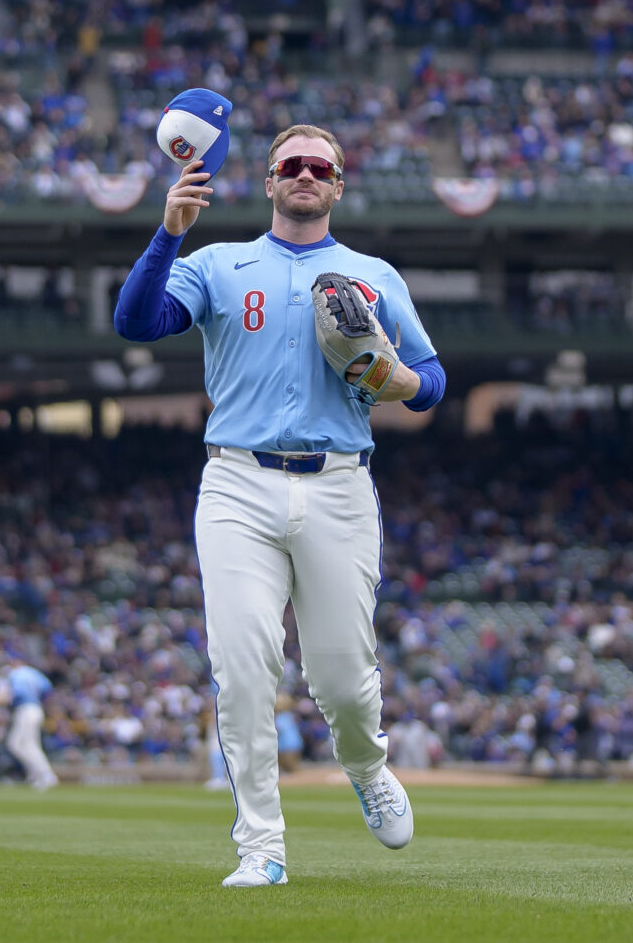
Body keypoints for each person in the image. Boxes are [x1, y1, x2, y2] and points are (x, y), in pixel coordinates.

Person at [115, 122, 448, 889]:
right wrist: (169, 232)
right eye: (290, 164)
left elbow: (431, 380)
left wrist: (401, 381)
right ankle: (261, 846)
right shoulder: (218, 263)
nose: (305, 174)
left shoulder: (372, 273)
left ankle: (366, 766)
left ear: (338, 185)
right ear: (268, 180)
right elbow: (135, 322)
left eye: (319, 167)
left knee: (342, 678)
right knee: (242, 667)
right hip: (238, 479)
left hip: (338, 482)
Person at [3, 658, 57, 791]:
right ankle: (36, 775)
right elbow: (48, 688)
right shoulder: (33, 672)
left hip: (25, 709)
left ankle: (46, 774)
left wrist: (5, 700)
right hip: (36, 708)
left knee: (17, 744)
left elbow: (17, 693)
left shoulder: (15, 674)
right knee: (29, 744)